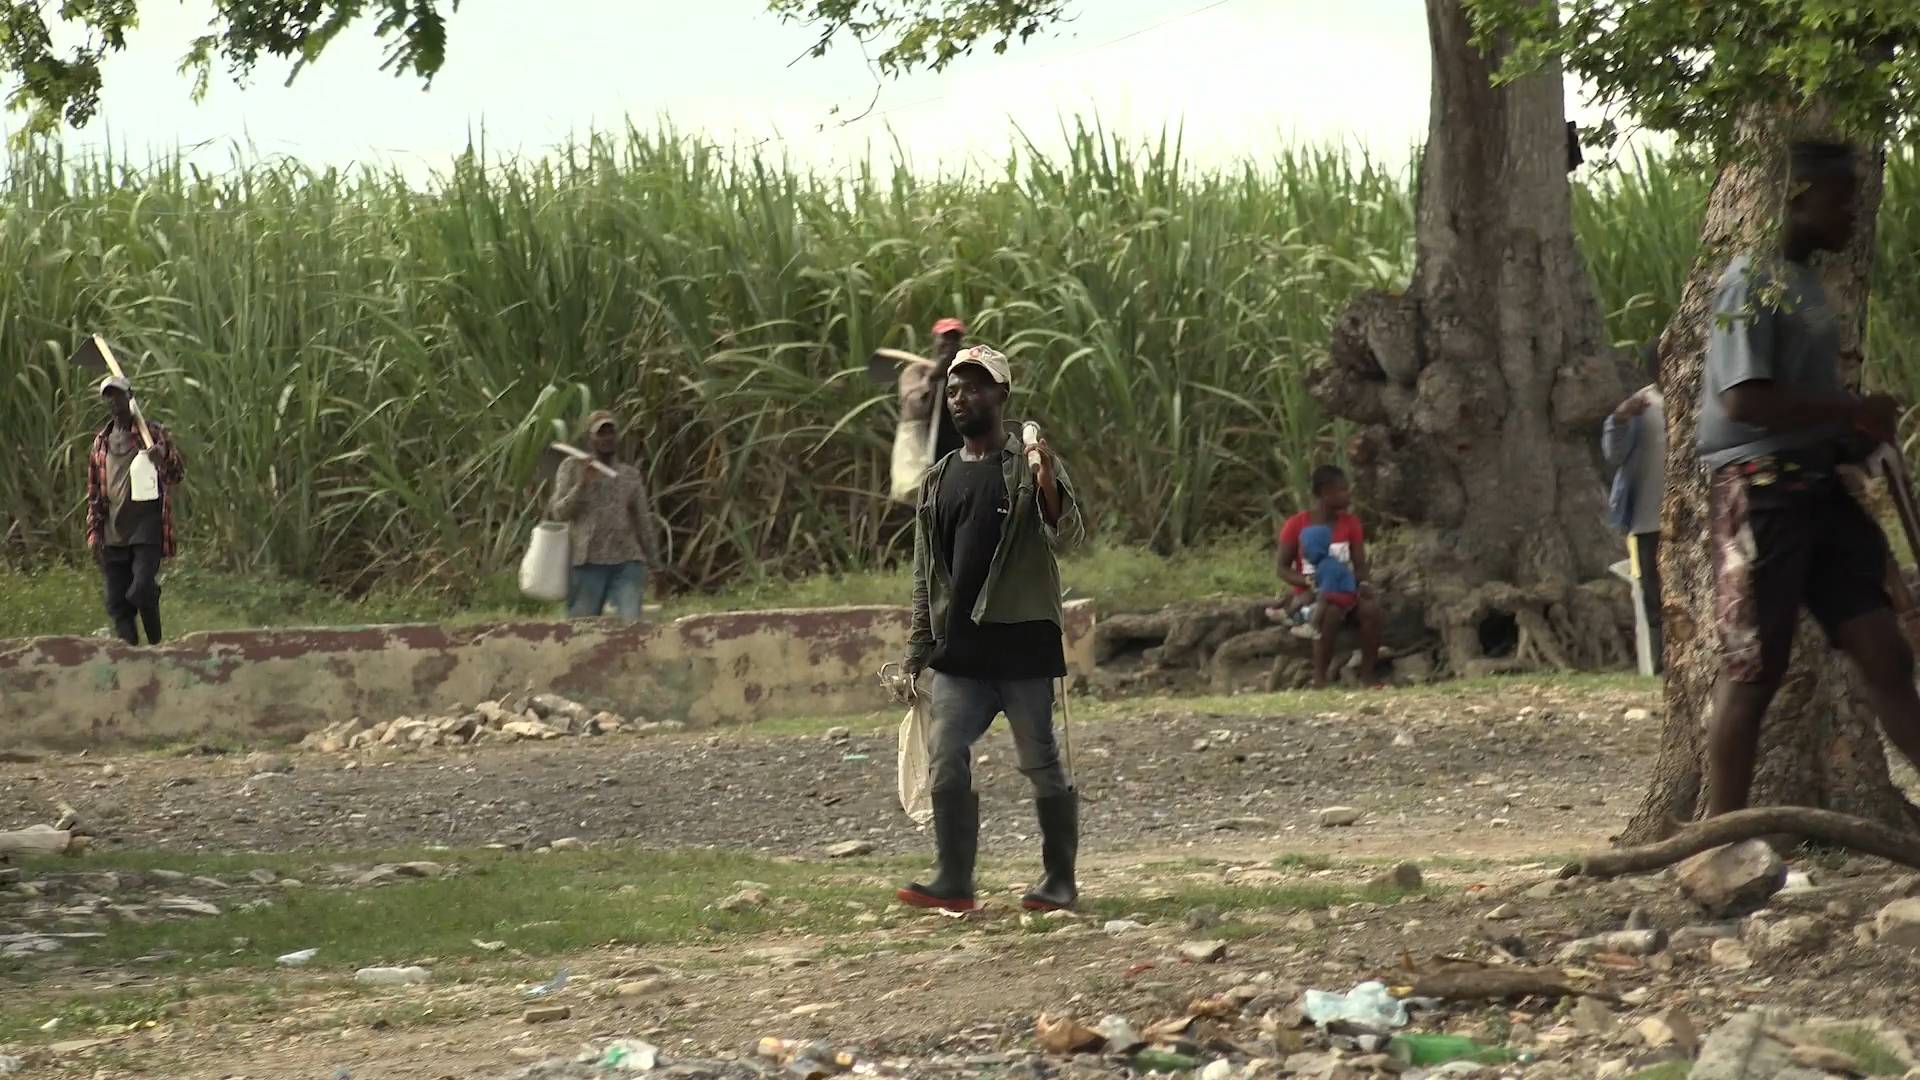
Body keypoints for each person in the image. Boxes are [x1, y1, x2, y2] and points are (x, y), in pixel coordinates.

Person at [1698, 139, 1920, 816]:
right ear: (1799, 197)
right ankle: (1720, 841)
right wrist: (1853, 409)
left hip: (1818, 491)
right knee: (1753, 673)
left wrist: (1851, 436)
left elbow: (1797, 401)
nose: (1853, 212)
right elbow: (1743, 401)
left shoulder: (1801, 281)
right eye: (1842, 196)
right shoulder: (1750, 281)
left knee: (1885, 653)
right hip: (1761, 495)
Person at [898, 344, 1088, 913]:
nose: (962, 399)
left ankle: (1059, 882)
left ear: (1002, 395)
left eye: (976, 387)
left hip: (1024, 642)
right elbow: (924, 572)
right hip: (962, 649)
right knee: (945, 753)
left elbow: (1066, 536)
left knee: (1039, 760)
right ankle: (954, 880)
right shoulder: (938, 479)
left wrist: (1047, 476)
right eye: (955, 390)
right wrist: (916, 649)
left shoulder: (1028, 466)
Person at [85, 376, 185, 646]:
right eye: (109, 397)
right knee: (117, 604)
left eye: (118, 396)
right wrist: (95, 533)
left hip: (146, 529)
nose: (113, 402)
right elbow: (94, 494)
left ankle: (156, 646)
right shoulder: (101, 443)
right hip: (113, 533)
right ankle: (131, 658)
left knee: (140, 590)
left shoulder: (150, 434)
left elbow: (177, 474)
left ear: (130, 398)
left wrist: (161, 457)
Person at [548, 410, 666, 619]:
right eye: (600, 433)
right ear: (590, 438)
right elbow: (559, 513)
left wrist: (656, 566)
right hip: (587, 563)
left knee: (631, 625)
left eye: (611, 432)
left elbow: (643, 521)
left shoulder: (629, 475)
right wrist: (582, 484)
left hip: (626, 562)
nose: (607, 438)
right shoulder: (571, 468)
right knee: (582, 628)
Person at [1276, 465, 1384, 687]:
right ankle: (1320, 678)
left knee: (1371, 610)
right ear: (1325, 493)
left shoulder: (1350, 523)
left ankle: (1368, 676)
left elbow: (1359, 564)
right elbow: (1282, 568)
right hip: (1313, 595)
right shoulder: (1297, 525)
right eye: (1342, 490)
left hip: (1345, 589)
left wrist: (1363, 584)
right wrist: (1307, 583)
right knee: (1329, 613)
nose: (1348, 494)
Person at [1603, 343, 1666, 672]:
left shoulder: (1699, 400)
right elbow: (1613, 456)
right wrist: (1619, 419)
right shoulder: (1641, 406)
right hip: (1646, 521)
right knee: (1653, 597)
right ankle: (1660, 667)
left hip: (1692, 522)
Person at [1292, 523, 1359, 643]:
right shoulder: (1322, 565)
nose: (1302, 552)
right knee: (1310, 594)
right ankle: (1292, 615)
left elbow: (1327, 591)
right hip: (1337, 594)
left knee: (1323, 595)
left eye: (1305, 548)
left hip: (1347, 596)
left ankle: (1313, 627)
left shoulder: (1328, 566)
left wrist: (1316, 594)